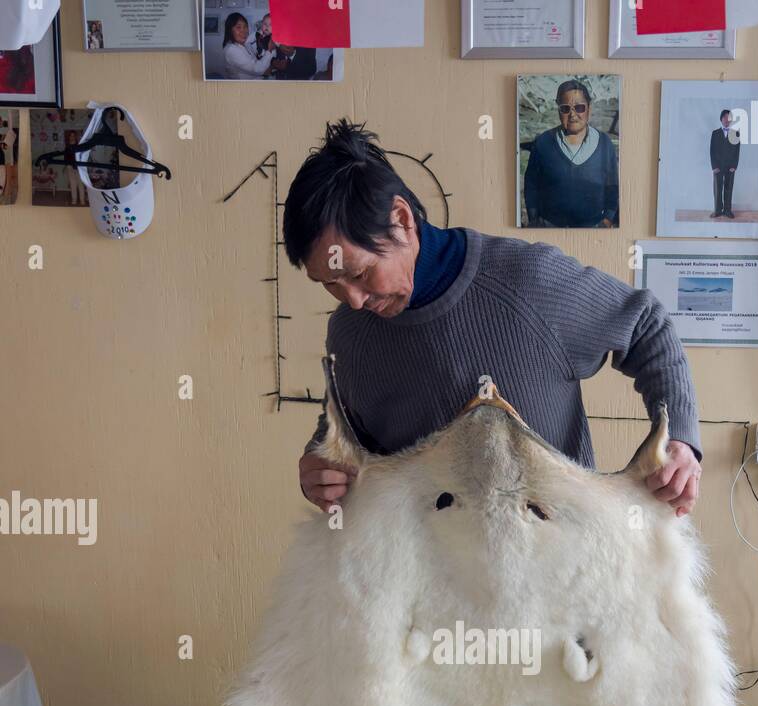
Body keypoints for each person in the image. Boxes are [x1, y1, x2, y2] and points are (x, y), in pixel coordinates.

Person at [285, 120, 702, 518]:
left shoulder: (529, 282)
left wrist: (679, 439)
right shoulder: (349, 332)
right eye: (331, 283)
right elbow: (346, 428)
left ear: (402, 219)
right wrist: (320, 466)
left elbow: (648, 325)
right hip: (428, 574)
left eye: (358, 273)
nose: (353, 300)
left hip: (554, 564)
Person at [523, 80, 619, 229]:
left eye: (579, 108)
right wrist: (534, 218)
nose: (573, 114)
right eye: (565, 108)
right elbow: (531, 184)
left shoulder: (604, 143)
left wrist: (608, 218)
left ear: (589, 109)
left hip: (593, 227)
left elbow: (612, 186)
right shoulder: (543, 142)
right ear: (558, 111)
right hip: (549, 227)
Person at [221, 13, 276, 80]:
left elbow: (257, 61)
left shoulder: (246, 44)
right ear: (230, 30)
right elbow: (257, 69)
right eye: (238, 27)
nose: (243, 31)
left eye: (245, 27)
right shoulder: (231, 50)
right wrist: (270, 50)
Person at [710, 108, 740, 220]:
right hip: (718, 166)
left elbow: (737, 150)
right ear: (721, 119)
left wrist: (734, 166)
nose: (727, 120)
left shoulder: (735, 133)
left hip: (730, 167)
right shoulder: (715, 133)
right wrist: (714, 166)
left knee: (729, 188)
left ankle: (727, 210)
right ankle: (717, 210)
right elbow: (712, 151)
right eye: (725, 117)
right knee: (717, 189)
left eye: (729, 118)